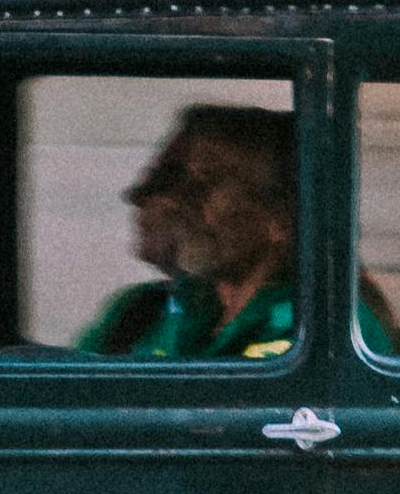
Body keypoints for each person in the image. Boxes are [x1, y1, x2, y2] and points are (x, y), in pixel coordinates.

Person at [75, 106, 305, 361]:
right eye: (182, 181)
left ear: (280, 221)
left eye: (207, 181)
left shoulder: (305, 336)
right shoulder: (142, 312)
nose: (177, 200)